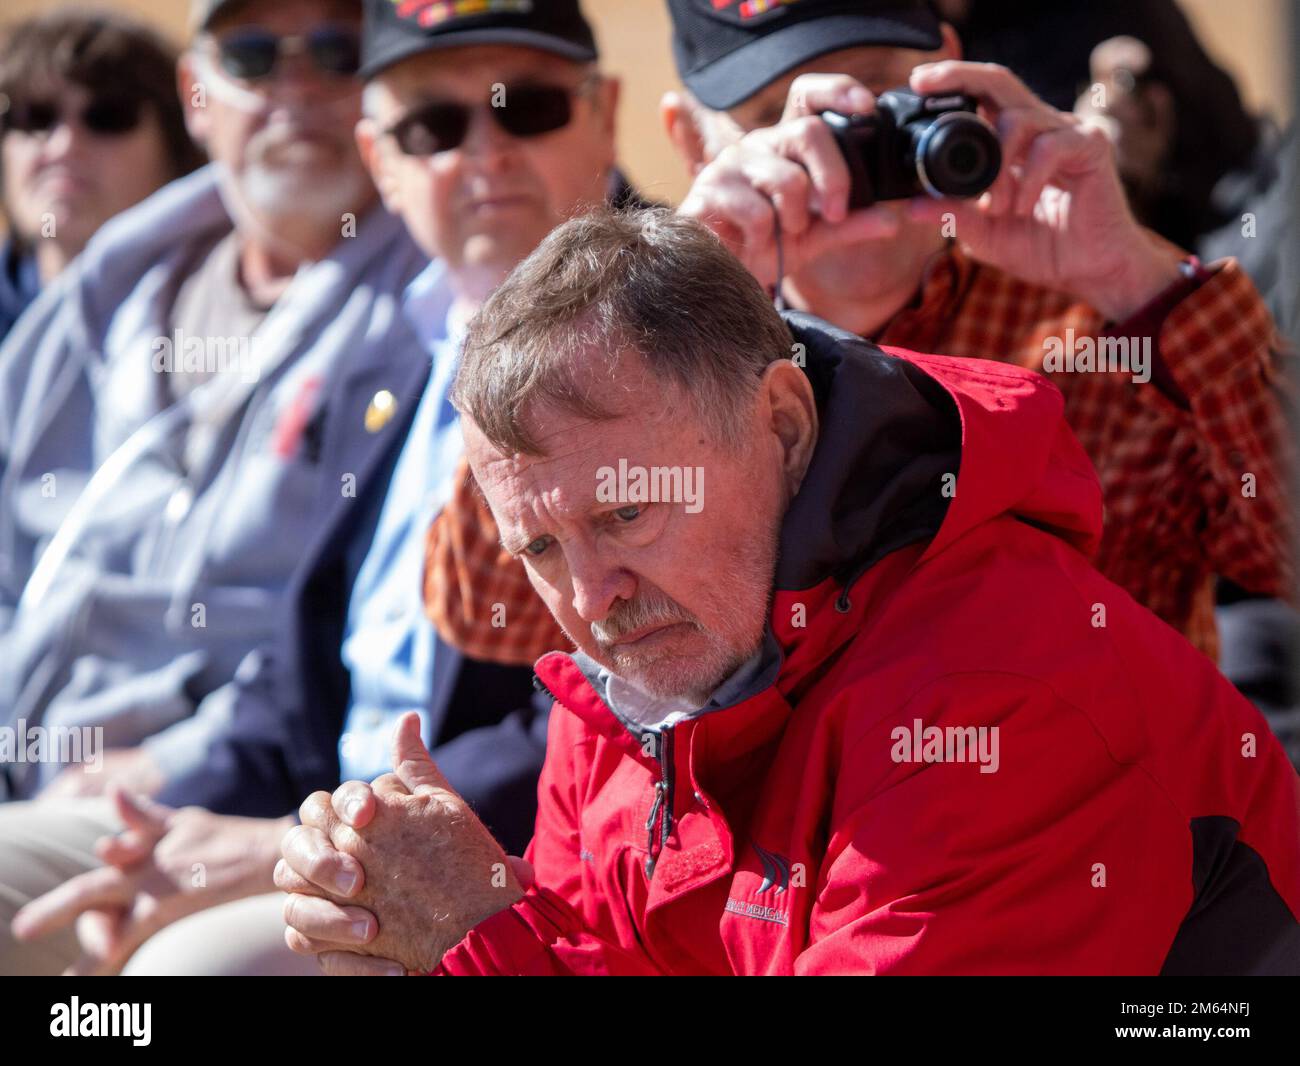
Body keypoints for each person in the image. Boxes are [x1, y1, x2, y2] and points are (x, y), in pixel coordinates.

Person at [275, 207, 1300, 975]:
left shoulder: (996, 701)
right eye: (538, 545)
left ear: (784, 424)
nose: (591, 595)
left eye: (628, 511)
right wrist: (407, 915)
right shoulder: (640, 666)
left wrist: (471, 937)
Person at [7, 0, 628, 976]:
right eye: (434, 126)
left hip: (488, 849)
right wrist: (188, 814)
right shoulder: (411, 336)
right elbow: (315, 660)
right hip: (312, 809)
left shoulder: (652, 344)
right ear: (382, 158)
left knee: (175, 979)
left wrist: (294, 843)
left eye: (530, 109)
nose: (485, 153)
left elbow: (625, 694)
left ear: (607, 117)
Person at [658, 0, 1292, 662]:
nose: (841, 165)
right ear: (693, 144)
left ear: (949, 75)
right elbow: (557, 624)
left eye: (874, 105)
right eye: (779, 125)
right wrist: (677, 313)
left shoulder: (1104, 326)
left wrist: (1139, 280)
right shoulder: (676, 340)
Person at [0, 0, 430, 972]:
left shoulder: (423, 311)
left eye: (334, 52)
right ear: (199, 98)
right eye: (252, 56)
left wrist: (172, 764)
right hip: (39, 765)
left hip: (233, 786)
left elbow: (332, 639)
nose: (296, 88)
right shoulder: (108, 300)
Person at [0, 8, 205, 340]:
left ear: (178, 150)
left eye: (108, 116)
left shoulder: (218, 321)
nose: (63, 146)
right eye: (34, 117)